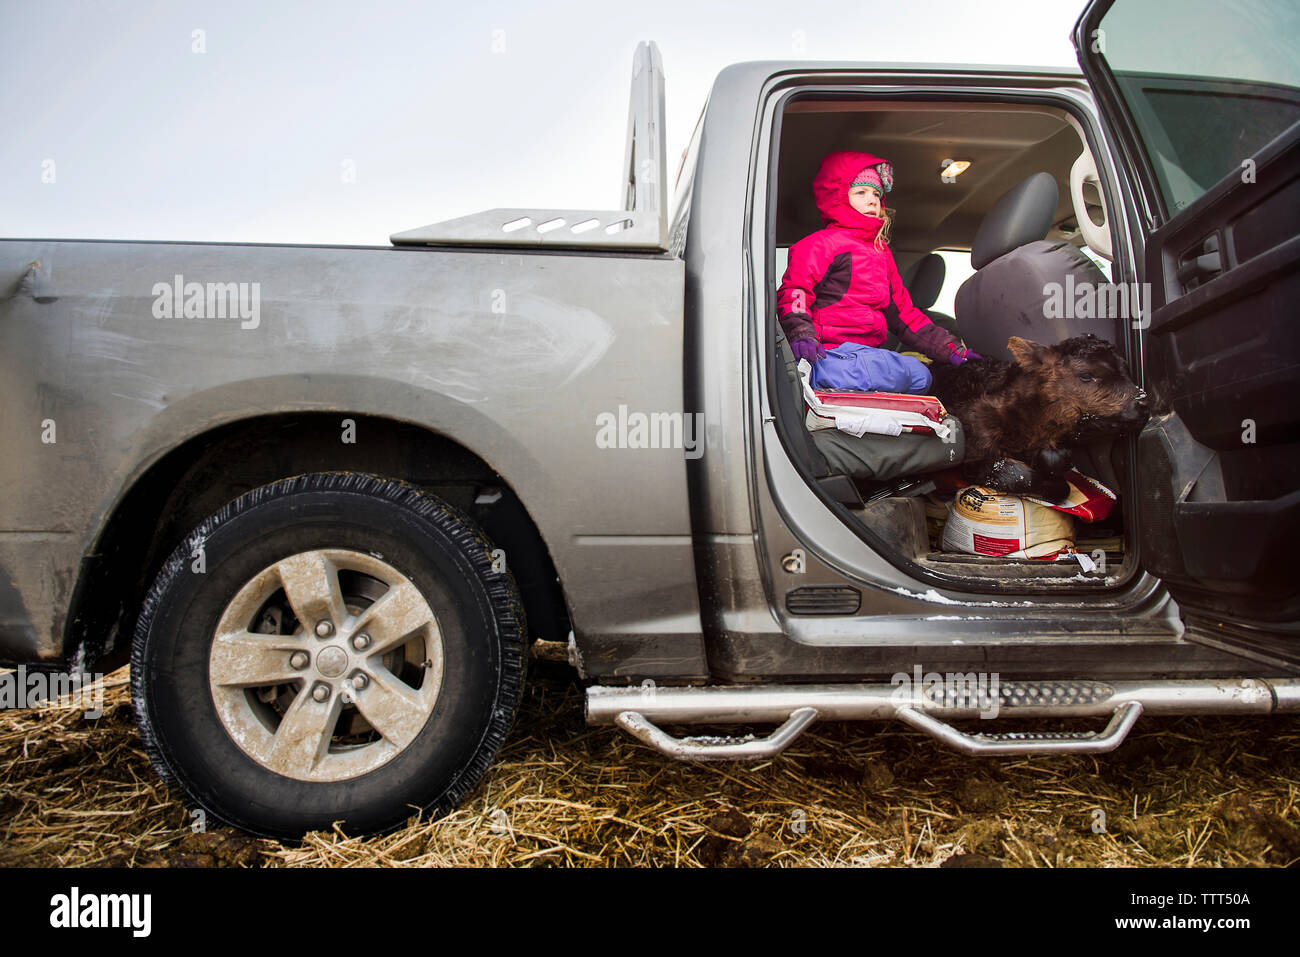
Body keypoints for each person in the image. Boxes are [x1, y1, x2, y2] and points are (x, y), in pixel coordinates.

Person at [777, 150, 978, 394]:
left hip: (870, 355)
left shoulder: (881, 254)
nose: (872, 200)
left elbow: (905, 315)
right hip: (831, 351)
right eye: (860, 192)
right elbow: (795, 292)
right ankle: (825, 378)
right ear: (838, 196)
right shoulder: (820, 244)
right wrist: (801, 335)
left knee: (921, 375)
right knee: (847, 369)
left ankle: (857, 388)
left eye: (876, 194)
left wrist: (950, 349)